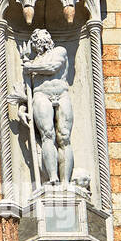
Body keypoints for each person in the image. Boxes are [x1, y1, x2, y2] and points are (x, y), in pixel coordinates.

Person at [17, 29, 74, 185]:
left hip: (61, 94)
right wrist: (22, 108)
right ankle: (53, 177)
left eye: (41, 38)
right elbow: (25, 89)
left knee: (64, 136)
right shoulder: (31, 64)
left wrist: (29, 67)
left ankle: (66, 181)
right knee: (47, 135)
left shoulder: (59, 51)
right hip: (41, 96)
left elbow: (52, 67)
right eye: (35, 40)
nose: (39, 41)